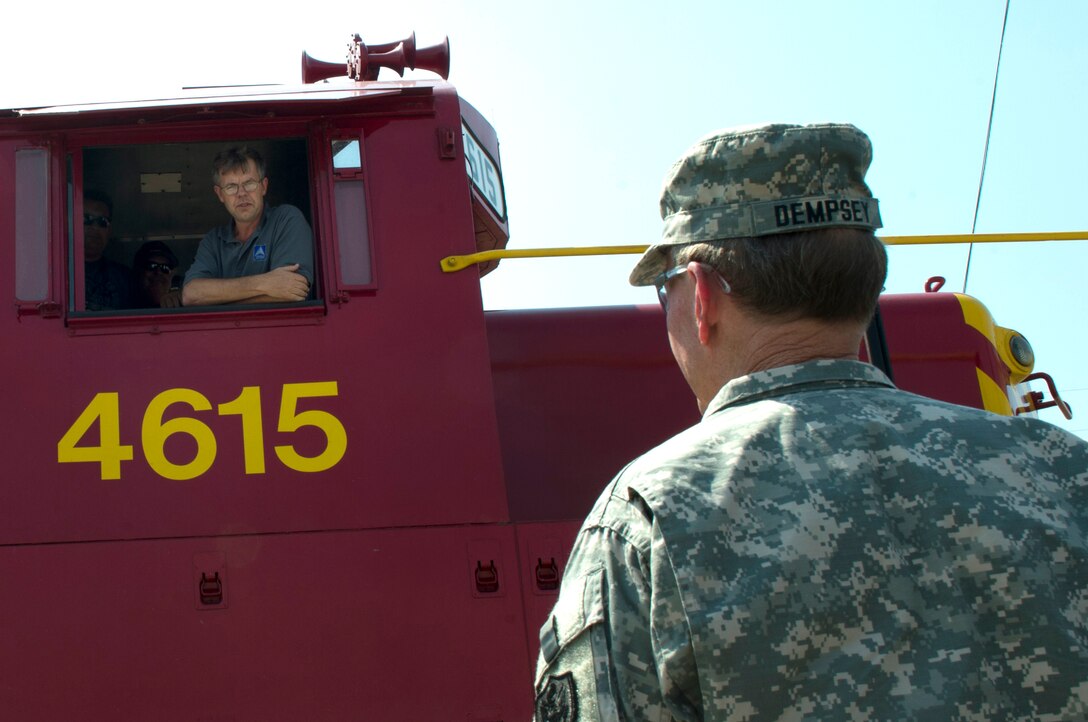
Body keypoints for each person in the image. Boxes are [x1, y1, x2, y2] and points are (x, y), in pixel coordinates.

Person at [532, 123, 1088, 722]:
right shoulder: (1066, 473)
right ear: (866, 285)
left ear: (700, 296)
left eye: (665, 288)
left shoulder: (646, 518)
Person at [182, 146, 313, 306]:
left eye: (249, 183)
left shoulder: (285, 219)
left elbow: (294, 290)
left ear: (263, 186)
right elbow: (191, 295)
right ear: (220, 194)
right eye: (231, 187)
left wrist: (218, 300)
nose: (241, 193)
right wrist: (266, 283)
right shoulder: (213, 241)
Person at [83, 190, 136, 311]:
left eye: (102, 222)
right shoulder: (57, 274)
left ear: (109, 230)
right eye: (86, 219)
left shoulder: (124, 278)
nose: (95, 227)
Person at [133, 241, 183, 308]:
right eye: (151, 266)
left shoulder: (184, 307)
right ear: (138, 271)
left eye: (165, 267)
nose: (158, 272)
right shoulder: (124, 308)